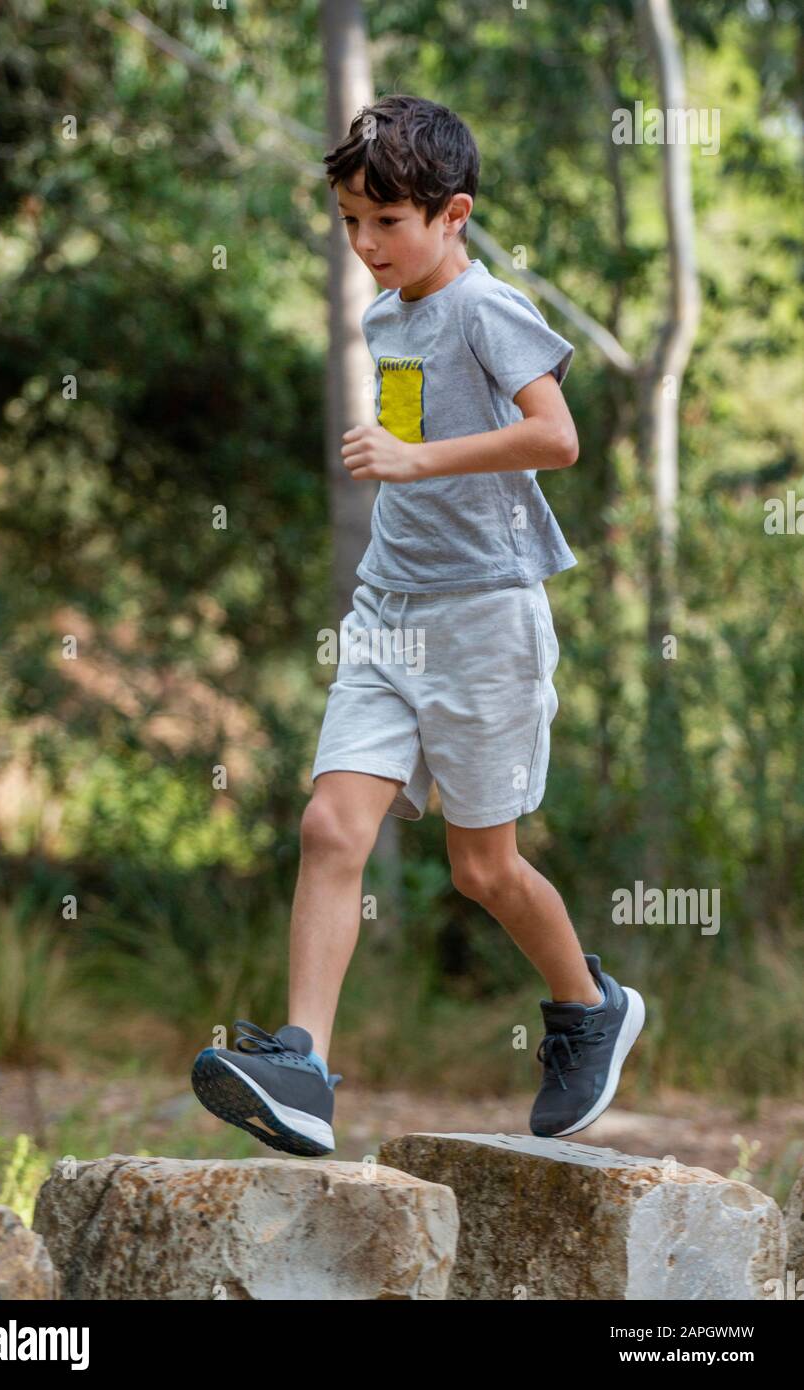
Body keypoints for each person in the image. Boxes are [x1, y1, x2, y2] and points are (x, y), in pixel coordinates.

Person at [191, 94, 644, 1157]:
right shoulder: (383, 315)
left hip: (487, 616)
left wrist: (412, 459)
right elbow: (407, 450)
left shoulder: (487, 307)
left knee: (481, 869)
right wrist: (402, 465)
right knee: (327, 825)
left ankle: (588, 1008)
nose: (363, 244)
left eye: (385, 222)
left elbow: (554, 437)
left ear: (452, 214)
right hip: (388, 611)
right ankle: (302, 1064)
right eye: (350, 220)